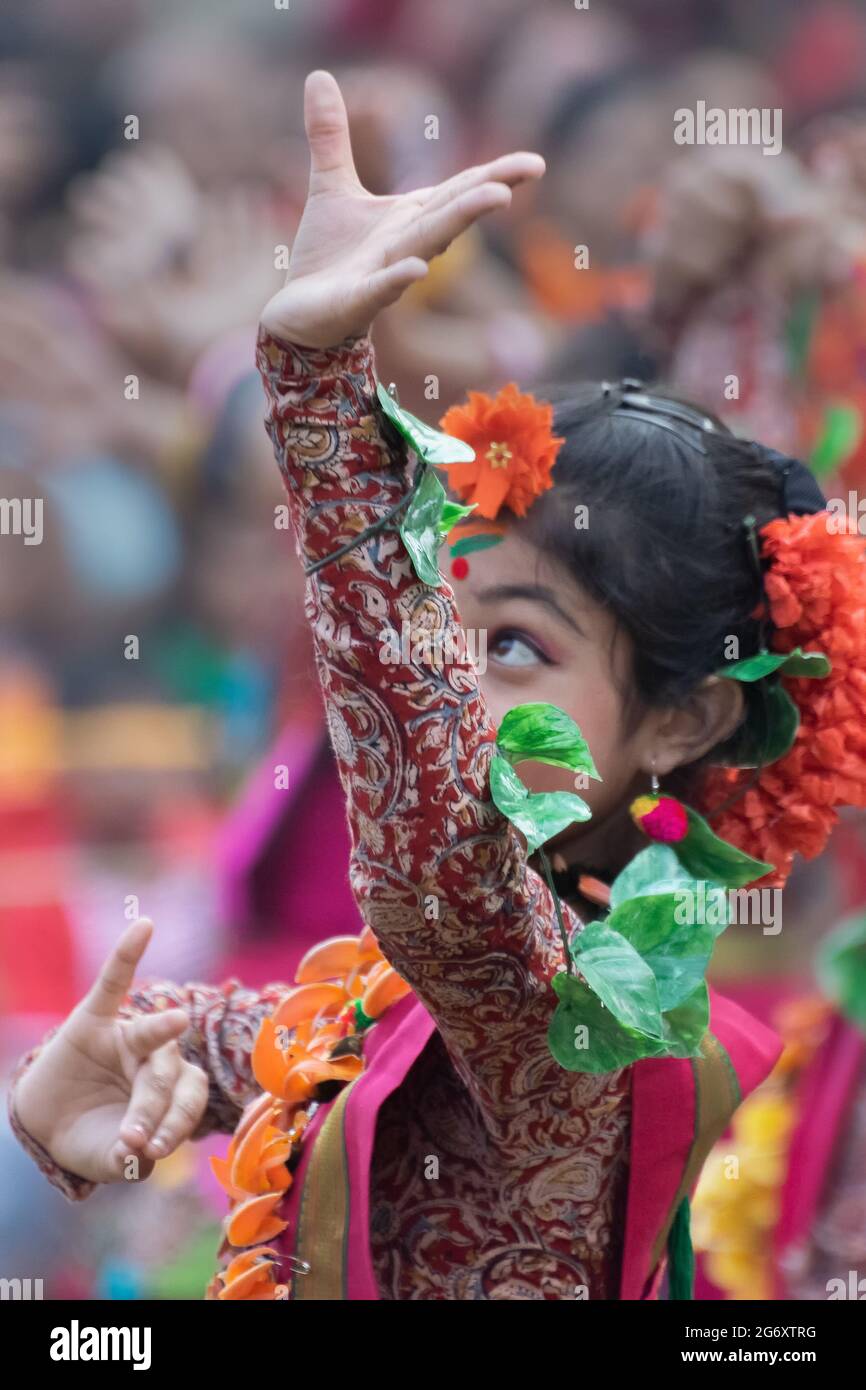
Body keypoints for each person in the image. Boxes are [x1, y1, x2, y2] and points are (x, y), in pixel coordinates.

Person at [12, 71, 866, 1302]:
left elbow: (429, 829)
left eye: (513, 644)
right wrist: (124, 1063)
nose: (449, 683)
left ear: (685, 719)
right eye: (440, 626)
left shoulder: (565, 1017)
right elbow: (297, 1037)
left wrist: (314, 380)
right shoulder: (487, 986)